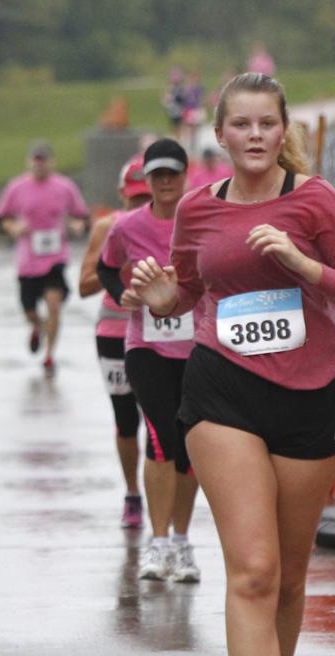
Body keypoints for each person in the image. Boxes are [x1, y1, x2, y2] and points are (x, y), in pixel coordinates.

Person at [129, 74, 335, 656]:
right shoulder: (196, 210)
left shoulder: (316, 201)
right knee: (251, 567)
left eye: (265, 124)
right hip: (222, 390)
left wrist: (305, 265)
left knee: (289, 575)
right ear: (219, 133)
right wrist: (162, 300)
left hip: (312, 397)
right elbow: (186, 289)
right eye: (238, 124)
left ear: (282, 131)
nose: (252, 135)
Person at [96, 139, 201, 583]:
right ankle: (157, 545)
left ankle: (182, 541)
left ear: (184, 175)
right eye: (156, 176)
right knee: (159, 437)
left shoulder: (203, 221)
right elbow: (106, 266)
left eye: (172, 175)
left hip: (198, 348)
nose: (164, 183)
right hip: (148, 347)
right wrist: (124, 295)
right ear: (147, 180)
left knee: (189, 447)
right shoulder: (127, 227)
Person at [78, 157, 151, 529]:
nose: (140, 206)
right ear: (122, 194)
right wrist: (117, 272)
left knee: (162, 418)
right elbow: (85, 284)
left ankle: (161, 495)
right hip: (115, 331)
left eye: (146, 198)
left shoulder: (169, 225)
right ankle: (132, 493)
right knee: (126, 420)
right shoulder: (108, 227)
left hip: (160, 328)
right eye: (135, 199)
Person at [0, 140, 89, 373]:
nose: (40, 164)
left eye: (44, 160)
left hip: (55, 258)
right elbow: (1, 219)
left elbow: (83, 217)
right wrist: (14, 228)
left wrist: (77, 226)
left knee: (54, 305)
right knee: (29, 309)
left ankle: (49, 354)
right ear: (29, 162)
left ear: (51, 162)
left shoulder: (64, 187)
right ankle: (37, 325)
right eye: (36, 160)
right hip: (28, 260)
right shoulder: (17, 188)